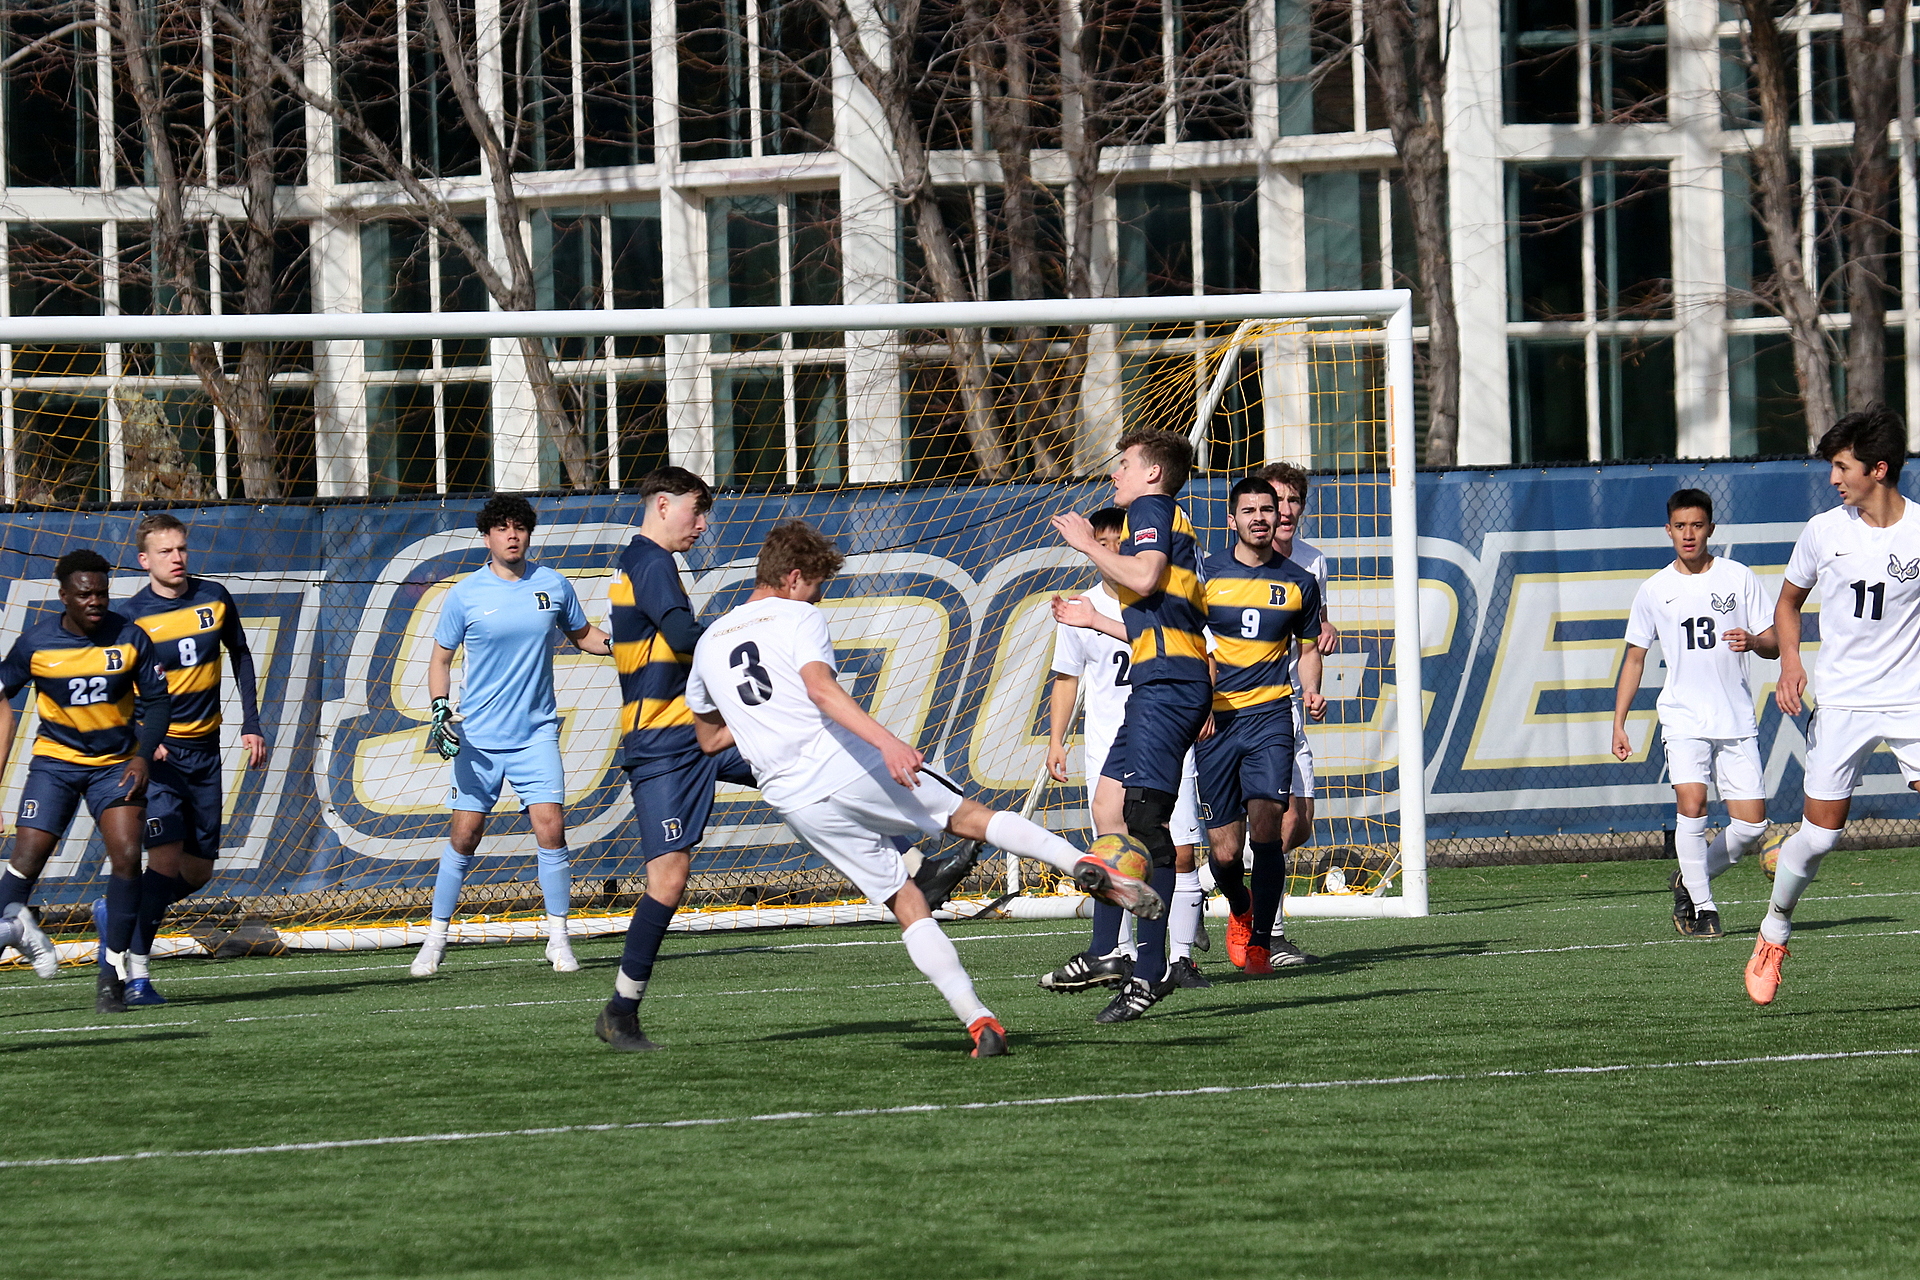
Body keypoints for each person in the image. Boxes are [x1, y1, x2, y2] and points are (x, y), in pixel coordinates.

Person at [674, 521, 1159, 1058]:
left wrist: (757, 724)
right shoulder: (798, 616)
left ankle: (979, 1022)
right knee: (969, 817)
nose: (819, 596)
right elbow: (819, 688)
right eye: (816, 585)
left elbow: (711, 737)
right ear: (792, 578)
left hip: (793, 798)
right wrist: (886, 743)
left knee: (906, 902)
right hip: (844, 763)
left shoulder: (710, 642)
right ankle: (1086, 866)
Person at [1746, 406, 1920, 1004]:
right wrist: (1791, 664)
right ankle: (1773, 930)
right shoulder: (1825, 530)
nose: (1833, 478)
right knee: (1819, 839)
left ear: (1879, 468)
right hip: (1843, 700)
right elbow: (1788, 605)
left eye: (1842, 467)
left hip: (1911, 699)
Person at [1044, 428, 1212, 1023]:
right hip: (1160, 680)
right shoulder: (1167, 513)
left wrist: (1090, 544)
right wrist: (1095, 619)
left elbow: (1142, 579)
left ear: (1152, 474)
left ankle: (1148, 971)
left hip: (1170, 688)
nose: (1114, 475)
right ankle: (1107, 954)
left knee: (1144, 823)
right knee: (1112, 812)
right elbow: (1162, 616)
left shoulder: (1151, 508)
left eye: (1123, 465)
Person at [411, 496, 611, 977]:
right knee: (465, 835)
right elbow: (440, 659)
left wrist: (625, 644)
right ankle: (434, 940)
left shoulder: (553, 585)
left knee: (551, 827)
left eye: (519, 526)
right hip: (478, 738)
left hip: (536, 733)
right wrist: (439, 708)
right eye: (502, 527)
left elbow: (584, 635)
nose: (512, 534)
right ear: (487, 537)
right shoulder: (464, 594)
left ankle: (559, 939)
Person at [593, 468, 758, 1050]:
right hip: (665, 745)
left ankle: (911, 866)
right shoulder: (652, 562)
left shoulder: (642, 560)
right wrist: (752, 634)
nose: (703, 522)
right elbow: (686, 637)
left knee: (805, 767)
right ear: (663, 504)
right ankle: (620, 1012)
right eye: (697, 509)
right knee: (668, 879)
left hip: (702, 733)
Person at [0, 549, 171, 1012]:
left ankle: (113, 972)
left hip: (116, 765)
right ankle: (9, 933)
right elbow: (2, 692)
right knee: (25, 860)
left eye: (101, 592)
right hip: (54, 765)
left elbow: (157, 705)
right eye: (84, 594)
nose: (95, 601)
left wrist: (140, 758)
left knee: (128, 856)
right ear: (64, 596)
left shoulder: (130, 637)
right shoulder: (36, 643)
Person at [1609, 489, 1778, 940]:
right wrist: (1619, 721)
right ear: (1668, 530)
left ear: (1711, 529)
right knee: (1693, 805)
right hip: (1683, 718)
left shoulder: (1739, 577)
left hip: (1735, 716)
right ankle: (1703, 908)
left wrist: (1754, 641)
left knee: (1750, 824)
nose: (1689, 534)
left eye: (1697, 525)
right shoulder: (1654, 590)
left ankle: (1689, 876)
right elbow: (1634, 659)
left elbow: (1774, 642)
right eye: (1680, 526)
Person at [115, 514, 267, 1005]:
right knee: (162, 862)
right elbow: (116, 689)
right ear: (145, 561)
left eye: (181, 549)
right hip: (158, 757)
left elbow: (240, 655)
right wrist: (143, 735)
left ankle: (117, 910)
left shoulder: (214, 597)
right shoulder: (130, 617)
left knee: (198, 872)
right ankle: (137, 978)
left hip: (206, 752)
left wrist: (252, 723)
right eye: (165, 552)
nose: (177, 558)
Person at [1197, 477, 1325, 974]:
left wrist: (1313, 689)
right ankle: (1240, 907)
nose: (1259, 517)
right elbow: (1188, 642)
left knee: (1268, 825)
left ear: (1278, 519)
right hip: (1216, 722)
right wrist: (1199, 702)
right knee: (1225, 852)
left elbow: (1309, 647)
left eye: (1267, 510)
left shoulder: (1300, 581)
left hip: (1271, 714)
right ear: (1232, 519)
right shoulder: (1204, 574)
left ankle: (1261, 946)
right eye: (1248, 510)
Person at [1258, 462, 1339, 928]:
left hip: (1292, 701)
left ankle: (1215, 879)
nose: (1284, 511)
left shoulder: (1313, 561)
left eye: (1293, 502)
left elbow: (1315, 633)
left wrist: (1313, 689)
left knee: (1300, 822)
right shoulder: (1238, 562)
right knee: (1276, 816)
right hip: (1251, 703)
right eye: (1275, 501)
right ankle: (1267, 927)